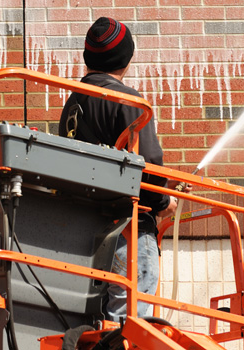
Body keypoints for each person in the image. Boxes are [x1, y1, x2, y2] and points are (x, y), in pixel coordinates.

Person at [59, 17, 178, 321]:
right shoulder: (126, 100)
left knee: (97, 324)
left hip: (82, 230)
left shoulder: (72, 103)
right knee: (129, 323)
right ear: (126, 57)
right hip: (127, 229)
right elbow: (149, 162)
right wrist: (163, 202)